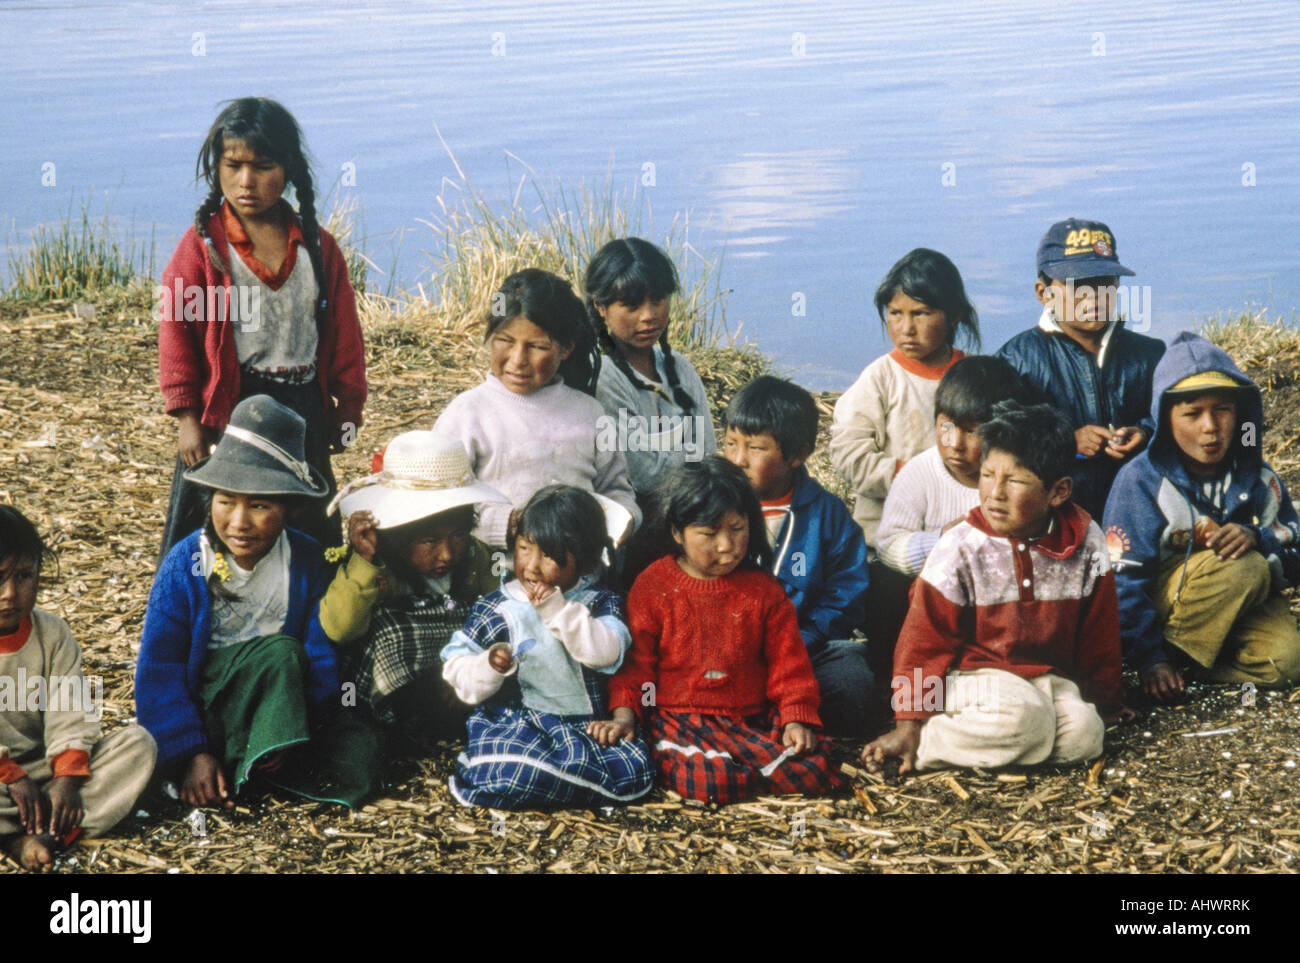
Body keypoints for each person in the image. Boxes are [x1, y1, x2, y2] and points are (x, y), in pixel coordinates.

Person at [862, 402, 1132, 775]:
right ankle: (923, 743)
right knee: (1022, 716)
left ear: (1058, 492)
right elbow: (922, 640)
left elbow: (1099, 631)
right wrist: (907, 721)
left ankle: (1005, 744)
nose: (995, 493)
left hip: (1045, 678)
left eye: (1016, 481)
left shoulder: (1086, 541)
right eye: (987, 476)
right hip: (968, 678)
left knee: (1085, 736)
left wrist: (1106, 703)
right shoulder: (961, 546)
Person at [136, 395, 379, 810]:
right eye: (226, 501)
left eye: (260, 505)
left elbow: (320, 653)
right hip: (207, 712)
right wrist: (193, 751)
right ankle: (214, 765)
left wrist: (295, 721)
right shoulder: (187, 565)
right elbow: (160, 670)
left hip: (278, 701)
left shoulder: (304, 561)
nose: (239, 522)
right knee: (280, 653)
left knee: (362, 745)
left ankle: (269, 753)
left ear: (292, 508)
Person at [157, 96, 366, 558]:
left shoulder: (316, 247)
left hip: (302, 409)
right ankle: (194, 620)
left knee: (307, 525)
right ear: (217, 168)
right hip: (231, 410)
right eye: (233, 166)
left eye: (263, 166)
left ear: (288, 170)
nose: (246, 182)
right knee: (214, 528)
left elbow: (344, 334)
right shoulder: (205, 249)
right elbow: (177, 334)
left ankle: (311, 620)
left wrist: (348, 406)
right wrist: (187, 419)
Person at [593, 457, 844, 804]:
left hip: (749, 718)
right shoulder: (653, 587)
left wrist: (794, 719)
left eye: (737, 529)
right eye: (709, 534)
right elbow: (637, 667)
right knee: (710, 783)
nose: (726, 545)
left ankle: (743, 769)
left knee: (812, 771)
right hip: (679, 718)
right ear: (678, 533)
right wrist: (625, 715)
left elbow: (789, 665)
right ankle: (737, 773)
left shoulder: (763, 591)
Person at [1103, 332, 1300, 704]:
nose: (1210, 427)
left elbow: (1295, 552)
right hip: (1163, 608)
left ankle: (1189, 667)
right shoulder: (1140, 480)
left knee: (1285, 664)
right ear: (1165, 418)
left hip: (1239, 603)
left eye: (1222, 410)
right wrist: (1150, 658)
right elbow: (1122, 579)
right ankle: (1164, 658)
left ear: (1240, 414)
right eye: (1192, 413)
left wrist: (1259, 537)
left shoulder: (1260, 477)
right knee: (1247, 568)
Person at [440, 486, 654, 809]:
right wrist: (488, 665)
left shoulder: (599, 602)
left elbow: (607, 654)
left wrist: (559, 612)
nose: (532, 566)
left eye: (550, 555)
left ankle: (548, 780)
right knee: (509, 762)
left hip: (583, 730)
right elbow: (456, 668)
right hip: (520, 726)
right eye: (525, 548)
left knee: (629, 768)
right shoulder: (498, 607)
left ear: (585, 562)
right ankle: (556, 781)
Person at [320, 431, 508, 750]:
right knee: (389, 631)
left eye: (458, 535)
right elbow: (340, 629)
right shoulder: (377, 565)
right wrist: (365, 562)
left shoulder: (479, 559)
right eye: (430, 542)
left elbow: (505, 609)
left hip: (465, 682)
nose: (447, 554)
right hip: (405, 692)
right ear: (397, 536)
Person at [434, 268, 639, 551]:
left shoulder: (590, 413)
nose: (518, 360)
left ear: (565, 348)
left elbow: (616, 490)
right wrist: (512, 524)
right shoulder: (467, 414)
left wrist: (621, 520)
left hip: (578, 574)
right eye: (505, 341)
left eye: (537, 346)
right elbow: (441, 505)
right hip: (494, 576)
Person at [1, 507, 155, 871]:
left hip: (45, 766)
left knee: (138, 745)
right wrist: (10, 774)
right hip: (4, 781)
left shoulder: (52, 635)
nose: (10, 593)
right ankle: (14, 839)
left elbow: (70, 709)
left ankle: (52, 831)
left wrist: (66, 778)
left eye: (24, 576)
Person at [723, 375, 874, 737]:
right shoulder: (710, 505)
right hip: (724, 650)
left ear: (797, 454)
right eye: (730, 443)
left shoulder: (827, 514)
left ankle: (773, 711)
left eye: (756, 449)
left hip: (802, 648)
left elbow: (846, 589)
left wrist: (801, 639)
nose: (738, 459)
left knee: (853, 678)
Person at [869, 356, 1029, 679]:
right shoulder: (920, 472)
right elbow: (887, 545)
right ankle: (898, 677)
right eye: (946, 428)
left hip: (992, 600)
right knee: (883, 584)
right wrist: (942, 542)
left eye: (973, 433)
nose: (954, 444)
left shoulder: (1018, 479)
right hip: (929, 601)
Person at [997, 217, 1164, 519]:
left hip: (1137, 514)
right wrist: (1066, 441)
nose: (1094, 297)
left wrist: (1145, 433)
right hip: (1052, 519)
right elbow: (999, 442)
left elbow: (1173, 417)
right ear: (1043, 293)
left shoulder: (1149, 355)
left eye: (1105, 284)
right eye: (1078, 287)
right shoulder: (1015, 361)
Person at [586, 237, 718, 589]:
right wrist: (687, 466)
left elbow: (705, 455)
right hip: (642, 530)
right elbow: (642, 477)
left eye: (658, 300)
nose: (649, 316)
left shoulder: (680, 369)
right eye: (630, 305)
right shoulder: (602, 378)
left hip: (692, 514)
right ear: (600, 306)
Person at [831, 248, 979, 549]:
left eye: (921, 314)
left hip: (966, 534)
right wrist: (910, 477)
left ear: (955, 315)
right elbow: (848, 455)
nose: (906, 329)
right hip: (888, 537)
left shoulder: (975, 376)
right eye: (895, 313)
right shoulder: (880, 378)